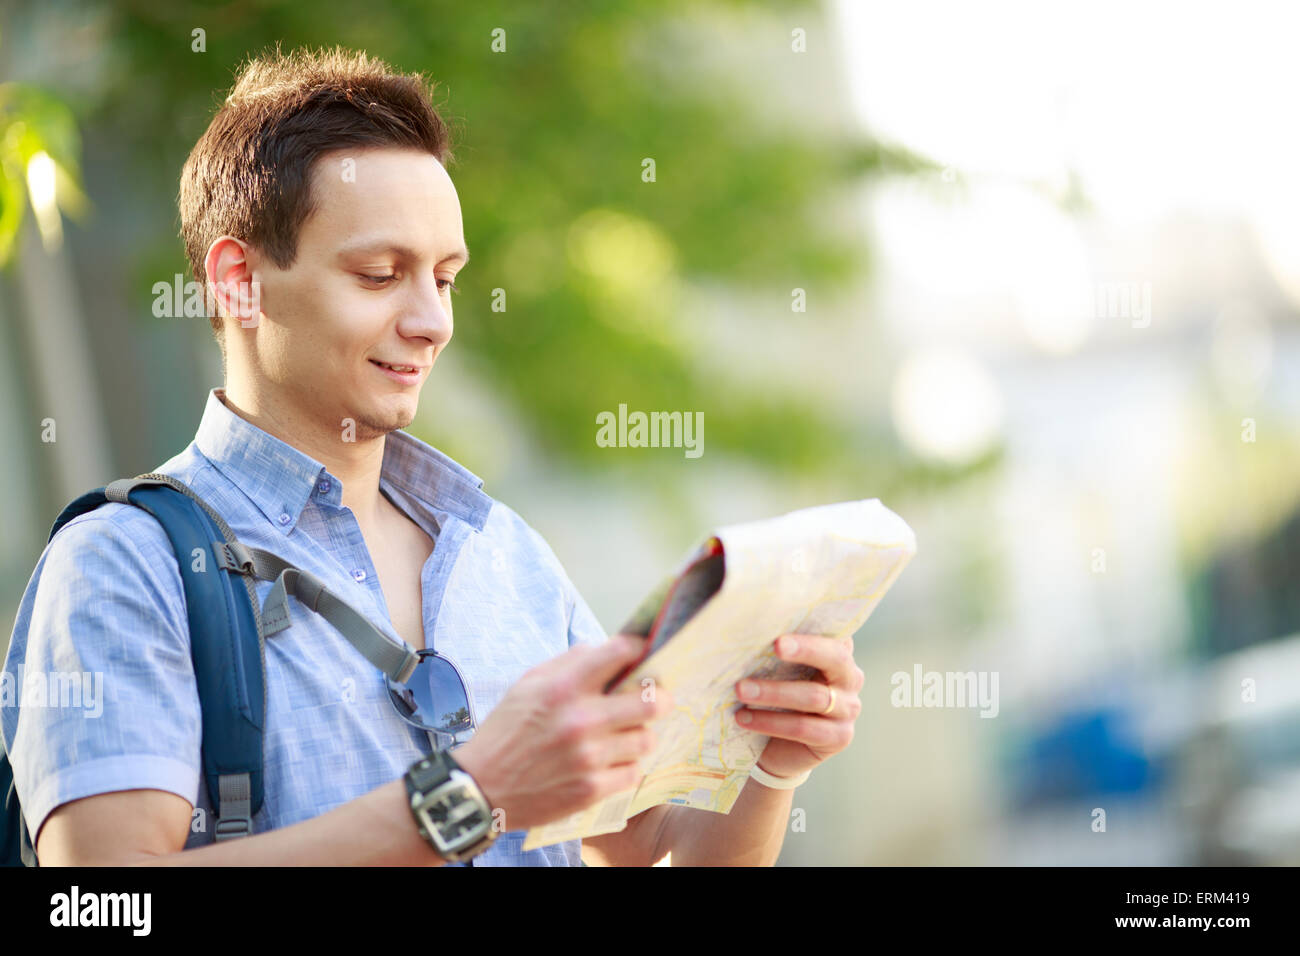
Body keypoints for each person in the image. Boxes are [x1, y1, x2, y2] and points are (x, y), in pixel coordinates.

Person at [0, 46, 864, 866]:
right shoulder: (123, 565)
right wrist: (468, 794)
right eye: (380, 274)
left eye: (444, 277)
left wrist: (769, 763)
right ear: (238, 282)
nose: (433, 321)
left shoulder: (504, 552)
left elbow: (643, 848)